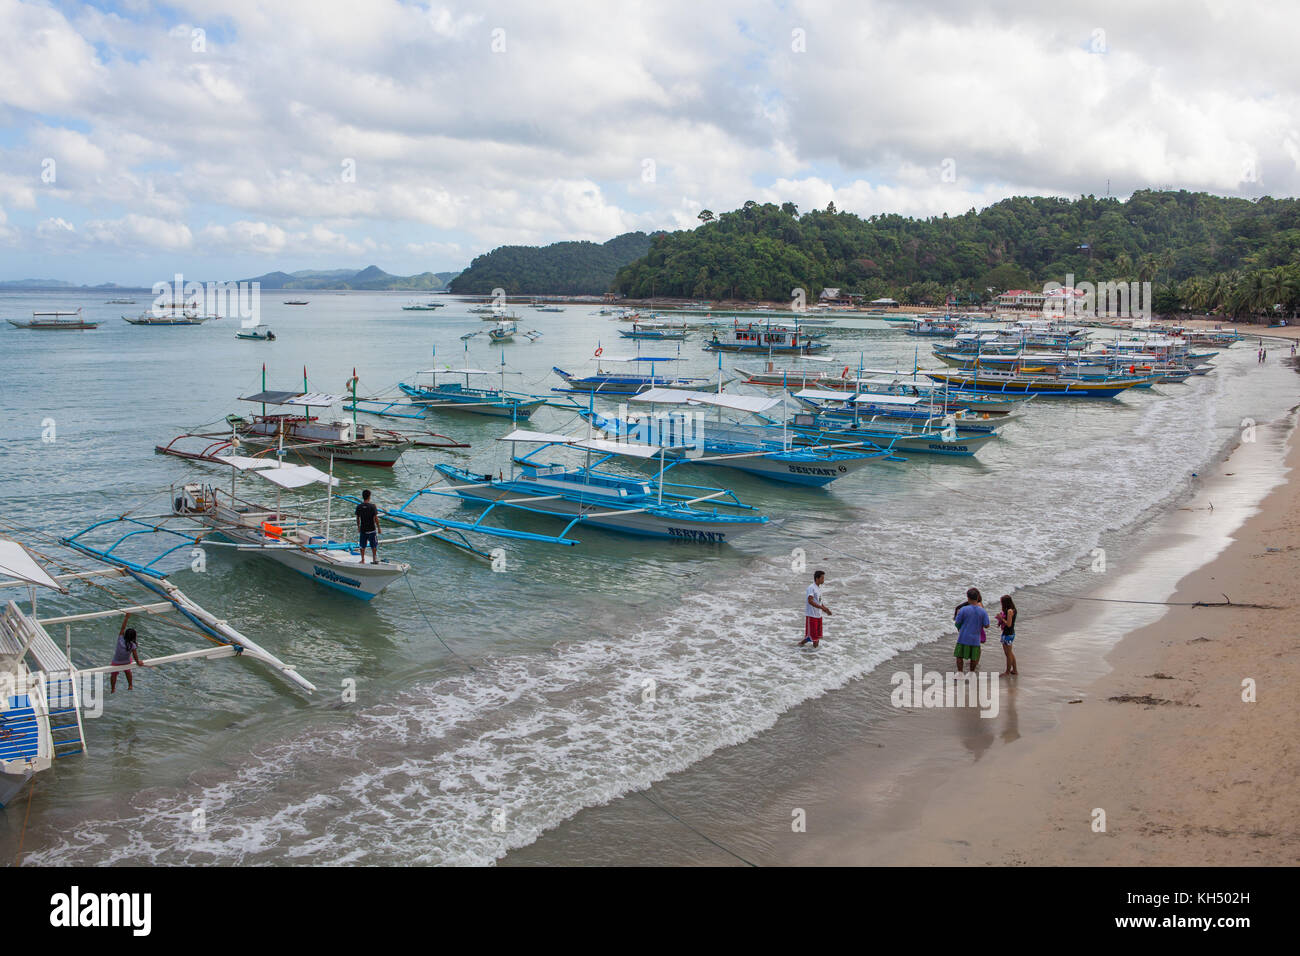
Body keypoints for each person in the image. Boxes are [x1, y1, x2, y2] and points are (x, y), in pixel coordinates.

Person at [953, 587, 989, 672]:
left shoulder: (963, 609)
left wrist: (960, 628)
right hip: (975, 639)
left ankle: (960, 673)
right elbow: (987, 625)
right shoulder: (983, 611)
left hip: (963, 637)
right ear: (978, 597)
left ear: (968, 598)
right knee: (974, 658)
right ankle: (972, 673)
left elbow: (957, 623)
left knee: (959, 656)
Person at [797, 570, 832, 648]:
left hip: (818, 616)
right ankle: (814, 655)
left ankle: (801, 646)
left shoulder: (818, 588)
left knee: (815, 637)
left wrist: (826, 609)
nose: (823, 580)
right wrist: (821, 607)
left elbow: (819, 602)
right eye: (822, 578)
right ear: (817, 578)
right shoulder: (811, 588)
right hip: (812, 615)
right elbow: (810, 601)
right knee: (814, 638)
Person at [109, 617, 145, 692]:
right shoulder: (133, 645)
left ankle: (113, 689)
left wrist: (126, 617)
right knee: (128, 671)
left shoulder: (120, 639)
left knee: (113, 675)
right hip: (126, 662)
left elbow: (123, 627)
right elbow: (135, 656)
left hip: (116, 662)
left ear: (125, 635)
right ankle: (130, 685)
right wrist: (138, 662)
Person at [355, 489, 380, 564]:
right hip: (372, 529)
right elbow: (376, 519)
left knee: (362, 545)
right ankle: (374, 559)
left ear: (363, 497)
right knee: (374, 545)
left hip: (363, 529)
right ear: (369, 497)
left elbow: (357, 518)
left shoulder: (359, 507)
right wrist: (379, 528)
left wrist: (358, 527)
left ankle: (362, 560)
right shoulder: (373, 506)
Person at [996, 595, 1018, 676]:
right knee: (1010, 653)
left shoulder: (1009, 611)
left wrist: (1001, 618)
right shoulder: (1013, 609)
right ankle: (1014, 670)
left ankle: (1007, 672)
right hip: (1009, 633)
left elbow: (1008, 624)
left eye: (1002, 602)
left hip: (1008, 633)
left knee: (1008, 654)